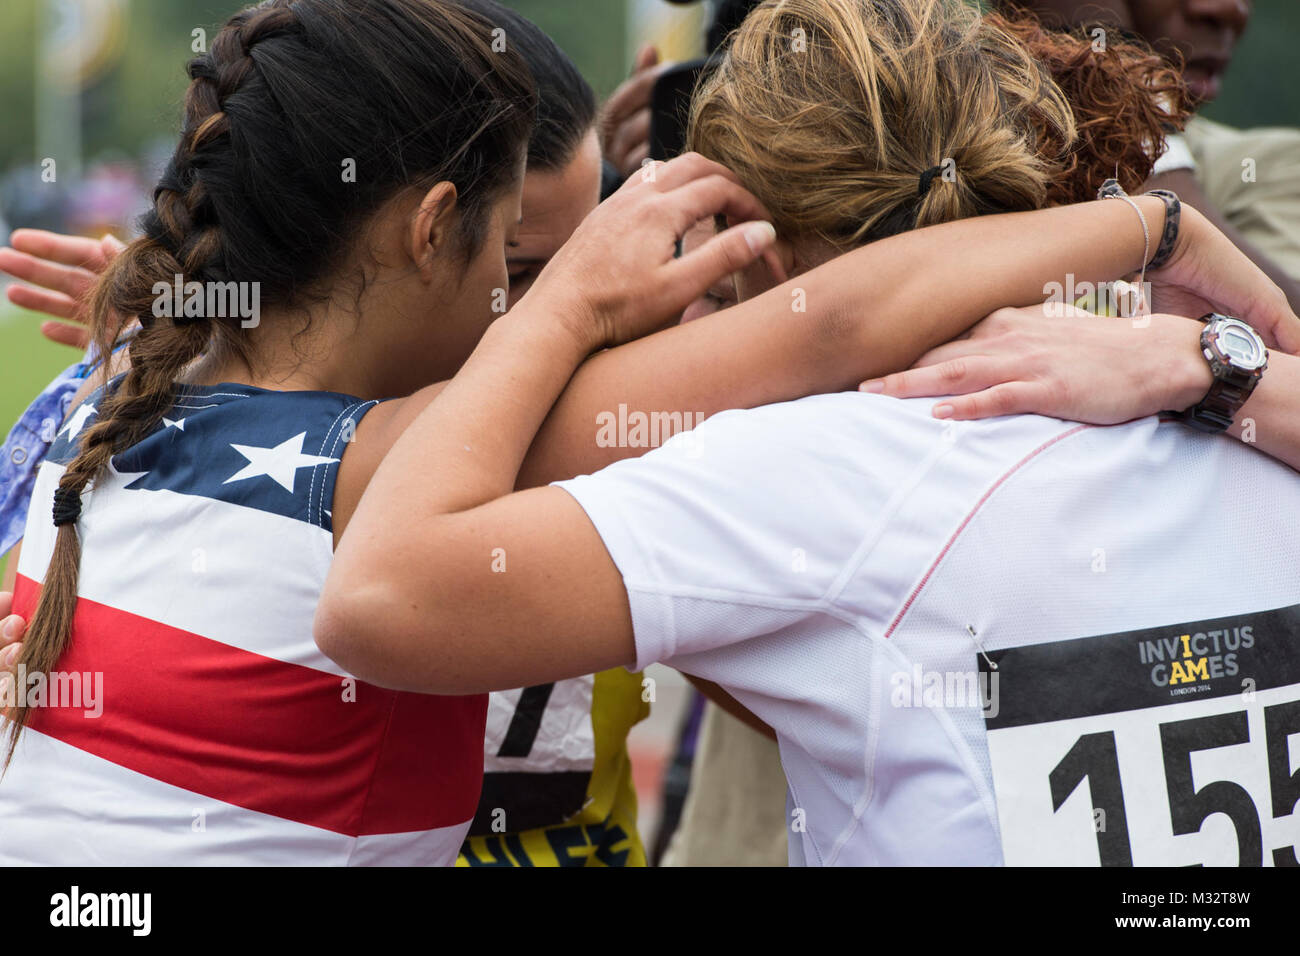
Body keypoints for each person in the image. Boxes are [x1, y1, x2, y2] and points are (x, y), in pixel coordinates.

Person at [2, 0, 1289, 869]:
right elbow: (829, 324)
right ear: (432, 229)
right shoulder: (412, 449)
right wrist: (1157, 235)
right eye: (523, 262)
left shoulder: (107, 393)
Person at [1002, 0, 1300, 300]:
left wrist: (1108, 69)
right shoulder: (961, 141)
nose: (1227, 8)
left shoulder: (1267, 164)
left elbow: (1285, 329)